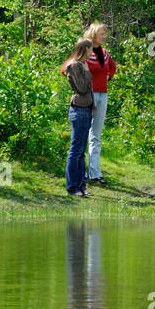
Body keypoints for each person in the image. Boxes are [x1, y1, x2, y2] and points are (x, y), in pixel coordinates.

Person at [82, 22, 117, 185]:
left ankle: (95, 172)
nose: (104, 36)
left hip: (103, 95)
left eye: (105, 34)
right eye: (102, 34)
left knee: (96, 136)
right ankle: (80, 171)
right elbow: (67, 68)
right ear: (94, 34)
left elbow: (112, 67)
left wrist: (108, 76)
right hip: (88, 96)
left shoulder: (105, 53)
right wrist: (81, 84)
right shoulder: (85, 50)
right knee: (83, 133)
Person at [61, 38, 96, 198]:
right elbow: (82, 88)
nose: (92, 52)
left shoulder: (81, 65)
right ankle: (72, 187)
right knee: (75, 150)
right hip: (79, 110)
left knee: (82, 151)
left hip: (86, 110)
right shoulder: (74, 66)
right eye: (90, 49)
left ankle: (81, 185)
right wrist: (87, 71)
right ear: (85, 49)